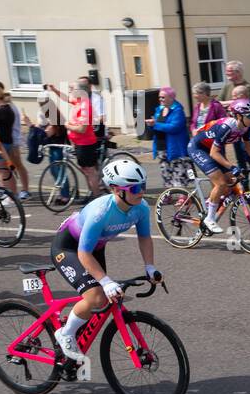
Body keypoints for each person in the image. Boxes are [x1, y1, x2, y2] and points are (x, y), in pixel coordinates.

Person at [50, 159, 160, 364]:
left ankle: (74, 333)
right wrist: (105, 281)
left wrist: (150, 266)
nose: (141, 192)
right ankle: (65, 333)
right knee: (97, 297)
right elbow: (83, 253)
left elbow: (144, 237)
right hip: (70, 248)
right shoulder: (100, 212)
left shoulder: (141, 207)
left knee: (107, 297)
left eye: (143, 186)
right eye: (135, 188)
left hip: (94, 249)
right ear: (117, 190)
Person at [188, 99, 250, 234]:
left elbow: (248, 146)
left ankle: (211, 202)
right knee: (221, 183)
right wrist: (232, 167)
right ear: (238, 116)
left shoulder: (245, 126)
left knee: (230, 184)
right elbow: (214, 154)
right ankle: (209, 219)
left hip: (213, 149)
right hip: (198, 148)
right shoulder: (227, 127)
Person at [0, 85, 25, 200]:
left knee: (2, 171)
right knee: (6, 170)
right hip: (7, 142)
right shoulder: (8, 108)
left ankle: (9, 196)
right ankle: (13, 194)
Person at [66, 84, 103, 195]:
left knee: (90, 171)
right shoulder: (78, 102)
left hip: (85, 143)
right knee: (87, 171)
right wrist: (54, 90)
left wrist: (67, 126)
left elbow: (82, 129)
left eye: (73, 89)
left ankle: (97, 198)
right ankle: (92, 194)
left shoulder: (85, 106)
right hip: (79, 143)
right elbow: (66, 98)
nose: (71, 91)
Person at [147, 87, 189, 177]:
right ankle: (171, 190)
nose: (160, 99)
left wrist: (155, 125)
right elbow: (156, 127)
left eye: (163, 97)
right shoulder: (159, 110)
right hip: (160, 148)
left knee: (178, 178)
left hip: (174, 148)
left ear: (171, 98)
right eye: (159, 97)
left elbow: (174, 127)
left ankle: (181, 191)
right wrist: (151, 125)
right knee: (167, 177)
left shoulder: (178, 111)